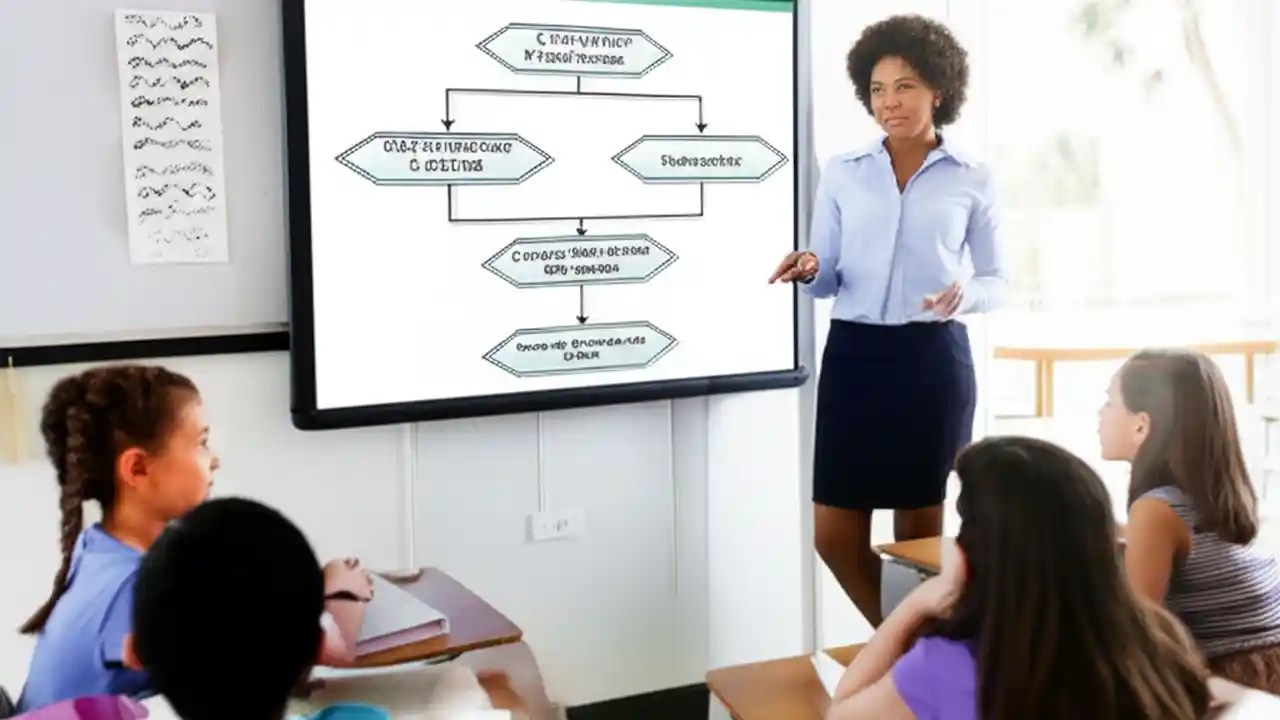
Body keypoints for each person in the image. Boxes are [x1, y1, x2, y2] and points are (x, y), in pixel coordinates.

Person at [769, 14, 1006, 626]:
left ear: (938, 89)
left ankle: (911, 664)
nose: (889, 102)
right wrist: (808, 266)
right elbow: (826, 277)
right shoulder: (846, 171)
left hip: (932, 362)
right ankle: (917, 645)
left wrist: (964, 296)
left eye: (903, 86)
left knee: (916, 544)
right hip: (853, 359)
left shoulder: (972, 177)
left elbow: (995, 281)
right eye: (877, 89)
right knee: (833, 535)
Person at [16, 365, 374, 713]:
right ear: (137, 468)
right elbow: (291, 665)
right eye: (201, 443)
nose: (214, 459)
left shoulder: (99, 548)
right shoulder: (135, 588)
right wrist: (334, 591)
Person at [826, 436, 1211, 720]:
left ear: (966, 559)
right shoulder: (1158, 644)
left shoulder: (947, 668)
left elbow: (842, 712)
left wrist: (926, 597)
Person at [1099, 348, 1280, 692]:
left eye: (1109, 403)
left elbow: (1137, 636)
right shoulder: (1211, 497)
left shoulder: (1156, 510)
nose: (1100, 414)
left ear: (1141, 424)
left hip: (1235, 686)